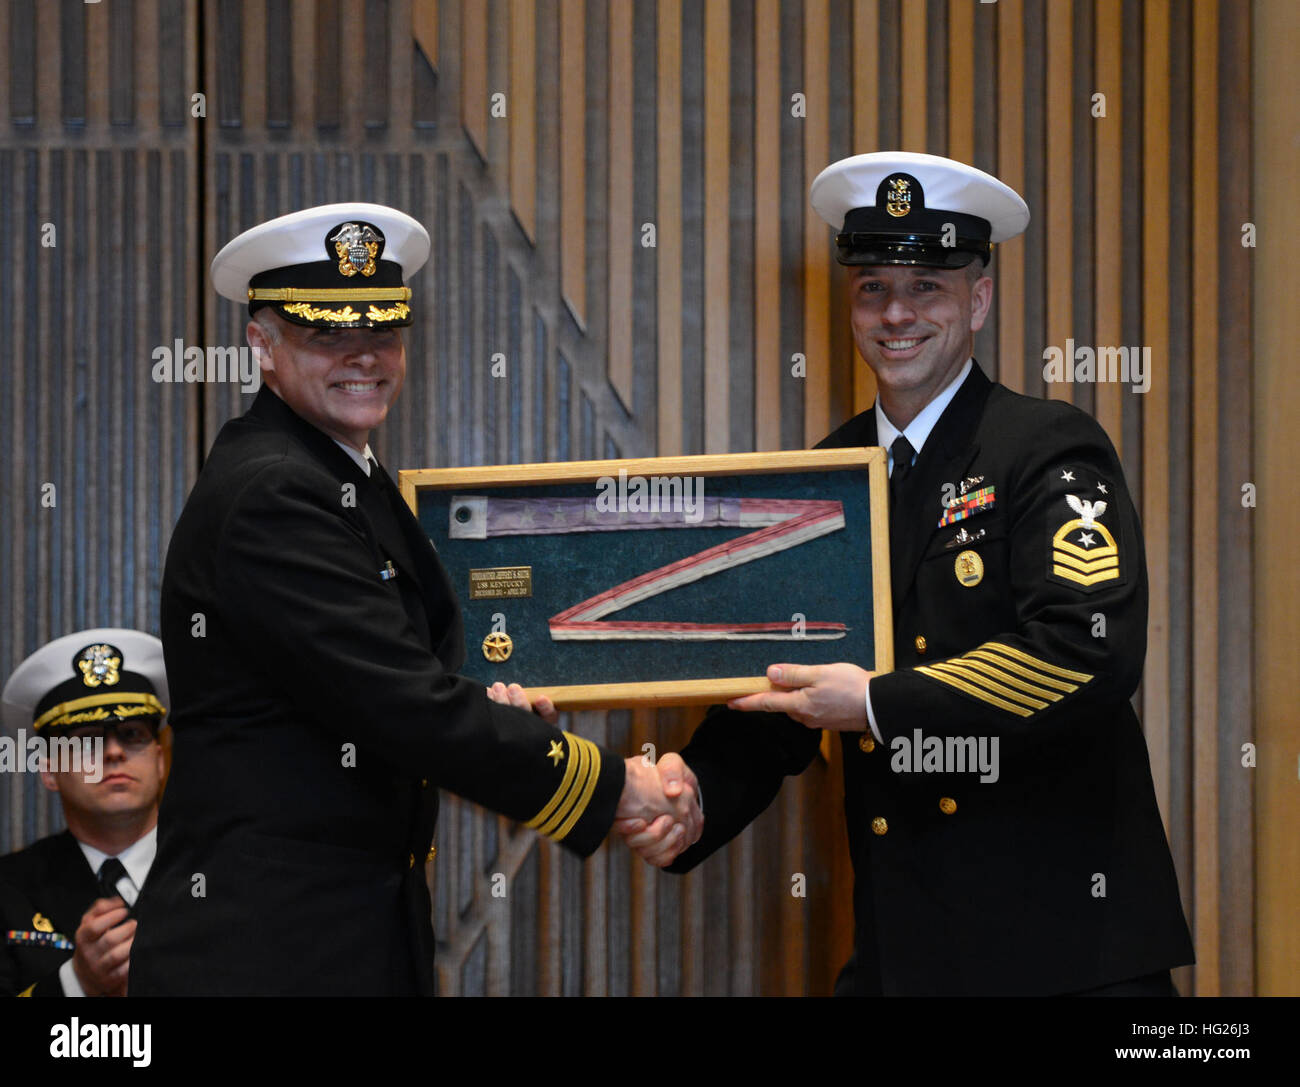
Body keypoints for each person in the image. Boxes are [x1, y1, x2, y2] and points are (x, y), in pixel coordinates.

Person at [618, 153, 1195, 996]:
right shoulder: (827, 476)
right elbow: (784, 683)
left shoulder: (1047, 447)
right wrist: (697, 792)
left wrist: (879, 702)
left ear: (979, 299)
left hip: (1068, 954)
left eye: (926, 285)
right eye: (872, 286)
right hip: (907, 950)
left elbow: (1084, 652)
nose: (896, 312)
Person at [129, 203, 700, 996]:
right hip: (268, 956)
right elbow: (401, 703)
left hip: (340, 939)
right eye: (328, 333)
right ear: (261, 345)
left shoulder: (337, 474)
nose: (364, 357)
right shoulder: (273, 495)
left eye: (384, 331)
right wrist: (614, 785)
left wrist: (488, 713)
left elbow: (370, 686)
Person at [0, 629, 169, 997]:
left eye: (133, 734)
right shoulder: (8, 892)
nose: (113, 753)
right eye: (87, 739)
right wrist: (77, 984)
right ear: (48, 770)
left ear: (159, 759)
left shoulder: (218, 872)